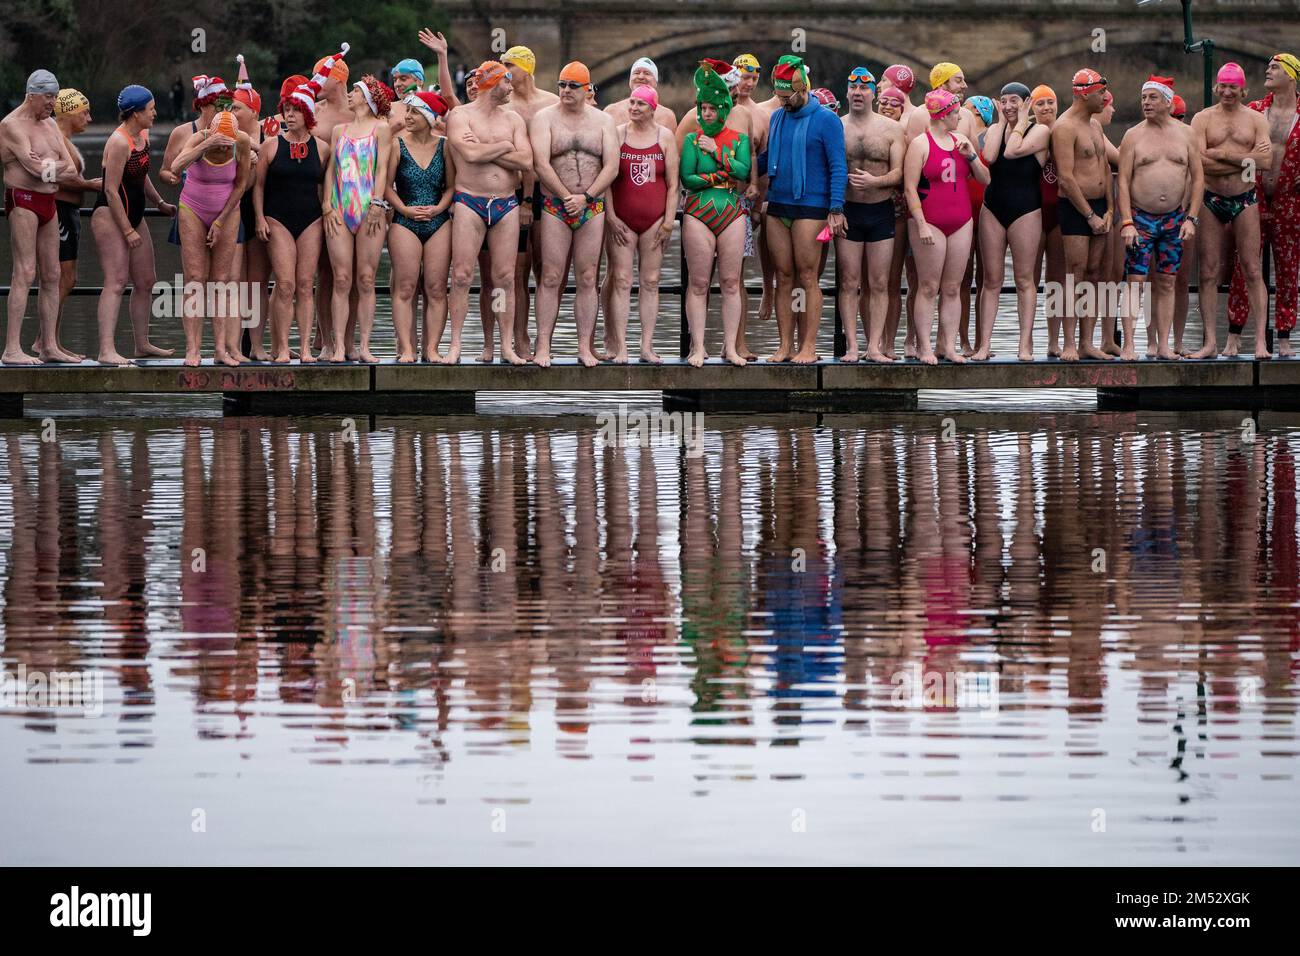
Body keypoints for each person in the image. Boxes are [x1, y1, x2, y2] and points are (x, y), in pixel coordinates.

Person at [529, 61, 619, 367]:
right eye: (562, 85)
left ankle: (584, 347)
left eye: (572, 86)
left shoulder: (603, 121)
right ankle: (543, 346)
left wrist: (587, 197)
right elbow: (540, 163)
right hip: (555, 205)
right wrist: (567, 197)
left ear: (587, 89)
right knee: (551, 276)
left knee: (587, 277)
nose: (565, 91)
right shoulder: (544, 119)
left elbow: (612, 166)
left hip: (591, 207)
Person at [445, 60, 532, 364]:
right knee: (461, 274)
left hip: (506, 203)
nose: (512, 87)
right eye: (508, 82)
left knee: (505, 277)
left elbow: (526, 161)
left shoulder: (513, 119)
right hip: (470, 201)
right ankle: (455, 344)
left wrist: (488, 147)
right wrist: (504, 147)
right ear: (494, 84)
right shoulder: (460, 115)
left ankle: (506, 346)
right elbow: (468, 154)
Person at [764, 55, 846, 363]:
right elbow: (768, 156)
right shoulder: (777, 117)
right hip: (778, 204)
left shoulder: (827, 120)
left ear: (802, 89)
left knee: (808, 276)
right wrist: (736, 166)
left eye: (788, 97)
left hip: (811, 205)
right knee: (783, 277)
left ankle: (808, 346)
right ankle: (785, 345)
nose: (783, 102)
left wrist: (836, 208)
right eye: (779, 97)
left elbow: (838, 167)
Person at [1189, 63, 1272, 359]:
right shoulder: (1202, 119)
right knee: (1209, 272)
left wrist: (1223, 155)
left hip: (1245, 199)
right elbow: (1198, 162)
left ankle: (1261, 341)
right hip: (1211, 199)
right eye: (1222, 86)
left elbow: (1264, 162)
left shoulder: (1255, 119)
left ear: (1243, 90)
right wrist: (1244, 159)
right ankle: (1210, 342)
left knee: (1252, 269)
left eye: (1233, 87)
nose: (1227, 92)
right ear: (1216, 88)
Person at [1117, 74, 1203, 361]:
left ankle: (1164, 346)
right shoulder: (1133, 135)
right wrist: (1127, 222)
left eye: (1153, 98)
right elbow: (1123, 182)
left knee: (1167, 282)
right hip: (1141, 219)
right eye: (1144, 98)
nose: (1146, 103)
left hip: (1174, 220)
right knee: (1135, 282)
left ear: (1167, 102)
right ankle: (1129, 344)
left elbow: (1198, 179)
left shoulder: (1186, 134)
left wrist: (1191, 218)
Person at [90, 85, 175, 365]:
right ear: (136, 113)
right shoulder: (118, 142)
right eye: (151, 109)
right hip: (111, 216)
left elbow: (141, 175)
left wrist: (159, 202)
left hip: (135, 214)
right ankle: (106, 350)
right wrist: (126, 229)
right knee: (115, 282)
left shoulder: (143, 135)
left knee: (146, 281)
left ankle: (142, 344)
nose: (155, 113)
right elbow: (111, 189)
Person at [902, 88, 989, 364]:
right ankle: (925, 347)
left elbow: (985, 180)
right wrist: (921, 224)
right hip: (930, 221)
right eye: (955, 113)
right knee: (928, 286)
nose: (960, 117)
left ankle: (948, 346)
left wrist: (972, 156)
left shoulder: (962, 140)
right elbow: (910, 189)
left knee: (952, 287)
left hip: (961, 220)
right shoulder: (921, 144)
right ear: (943, 115)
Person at [1, 70, 80, 364]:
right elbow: (32, 171)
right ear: (31, 94)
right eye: (48, 96)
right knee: (24, 272)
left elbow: (71, 168)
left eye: (55, 97)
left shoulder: (48, 125)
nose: (53, 103)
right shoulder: (11, 125)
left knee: (52, 274)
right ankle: (11, 349)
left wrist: (47, 166)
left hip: (49, 201)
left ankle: (48, 346)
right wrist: (52, 167)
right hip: (23, 200)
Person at [1226, 54, 1298, 358]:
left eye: (1275, 67)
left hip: (1290, 199)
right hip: (1254, 196)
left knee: (1288, 271)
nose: (1268, 70)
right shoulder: (1255, 109)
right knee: (1244, 266)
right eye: (1268, 66)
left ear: (1292, 76)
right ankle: (1234, 335)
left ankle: (1283, 336)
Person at [680, 61, 751, 366]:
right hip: (698, 212)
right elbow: (688, 178)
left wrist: (716, 153)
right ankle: (698, 346)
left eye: (711, 109)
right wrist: (719, 175)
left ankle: (731, 347)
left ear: (723, 109)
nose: (706, 114)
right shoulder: (691, 139)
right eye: (702, 108)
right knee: (698, 283)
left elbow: (743, 172)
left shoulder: (739, 139)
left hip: (732, 213)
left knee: (731, 283)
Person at [254, 79, 330, 363]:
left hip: (311, 218)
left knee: (304, 284)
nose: (289, 115)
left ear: (307, 114)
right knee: (284, 284)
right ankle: (283, 348)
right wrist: (260, 217)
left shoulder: (322, 149)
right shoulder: (271, 146)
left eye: (295, 110)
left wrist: (327, 213)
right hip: (277, 218)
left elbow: (326, 186)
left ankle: (307, 349)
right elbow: (259, 186)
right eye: (286, 109)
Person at [170, 109, 253, 366]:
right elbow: (175, 167)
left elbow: (240, 184)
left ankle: (220, 349)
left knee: (222, 281)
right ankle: (193, 349)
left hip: (226, 212)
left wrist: (220, 220)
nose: (224, 149)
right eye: (221, 142)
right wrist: (207, 143)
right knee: (195, 279)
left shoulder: (242, 141)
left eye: (228, 144)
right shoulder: (199, 139)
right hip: (193, 208)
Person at [321, 73, 394, 363]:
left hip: (369, 207)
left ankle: (363, 345)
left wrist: (377, 204)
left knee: (365, 278)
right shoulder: (340, 130)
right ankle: (339, 345)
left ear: (367, 97)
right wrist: (327, 203)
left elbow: (382, 169)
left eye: (355, 91)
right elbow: (330, 171)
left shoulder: (382, 129)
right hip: (340, 206)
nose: (349, 94)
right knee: (341, 278)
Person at [605, 84, 678, 363]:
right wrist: (610, 217)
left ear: (652, 109)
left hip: (654, 221)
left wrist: (669, 221)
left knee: (650, 281)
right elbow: (609, 180)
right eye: (632, 103)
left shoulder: (665, 137)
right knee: (622, 280)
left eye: (640, 104)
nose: (633, 108)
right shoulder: (618, 134)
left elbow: (672, 185)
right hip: (621, 219)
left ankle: (646, 346)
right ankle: (621, 346)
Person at [836, 68, 903, 362]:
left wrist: (877, 182)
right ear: (847, 92)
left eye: (864, 89)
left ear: (873, 93)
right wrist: (833, 209)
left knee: (879, 282)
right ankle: (852, 346)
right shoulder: (837, 127)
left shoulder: (891, 129)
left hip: (881, 211)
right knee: (849, 282)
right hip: (848, 211)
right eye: (853, 88)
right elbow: (829, 170)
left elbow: (901, 173)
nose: (858, 93)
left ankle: (874, 346)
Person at [385, 90, 454, 363]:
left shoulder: (445, 145)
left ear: (428, 116)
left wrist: (440, 208)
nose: (408, 117)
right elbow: (387, 187)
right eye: (408, 111)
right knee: (405, 287)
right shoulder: (396, 144)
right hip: (405, 220)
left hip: (439, 220)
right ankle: (407, 348)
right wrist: (403, 209)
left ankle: (432, 349)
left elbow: (451, 187)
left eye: (414, 112)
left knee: (436, 288)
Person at [500, 45, 559, 362]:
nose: (505, 70)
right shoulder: (502, 102)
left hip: (545, 193)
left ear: (527, 67)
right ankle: (519, 337)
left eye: (509, 65)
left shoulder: (550, 102)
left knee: (548, 270)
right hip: (512, 193)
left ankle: (543, 339)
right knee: (516, 271)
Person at [978, 81, 1045, 361]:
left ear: (1027, 103)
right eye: (1003, 101)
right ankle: (984, 345)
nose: (1007, 107)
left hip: (1026, 209)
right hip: (992, 207)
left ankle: (1025, 345)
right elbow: (992, 156)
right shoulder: (994, 129)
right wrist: (1001, 125)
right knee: (991, 280)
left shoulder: (1040, 131)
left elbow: (1012, 151)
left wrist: (1021, 121)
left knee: (1024, 280)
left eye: (1014, 101)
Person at [1051, 68, 1113, 361]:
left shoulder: (1096, 126)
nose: (1105, 98)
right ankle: (1069, 344)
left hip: (1101, 208)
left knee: (1095, 275)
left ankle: (1088, 342)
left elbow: (1104, 169)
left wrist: (1111, 209)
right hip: (1077, 209)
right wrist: (1090, 216)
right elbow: (1065, 178)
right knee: (1074, 275)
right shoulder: (1064, 127)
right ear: (1085, 93)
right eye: (1101, 93)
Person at [36, 89, 101, 361]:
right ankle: (43, 341)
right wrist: (88, 184)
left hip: (69, 213)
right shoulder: (53, 139)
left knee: (65, 279)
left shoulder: (64, 140)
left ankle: (52, 341)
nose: (89, 117)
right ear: (69, 113)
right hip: (59, 213)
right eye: (84, 112)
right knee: (61, 279)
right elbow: (50, 175)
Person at [232, 54, 273, 361]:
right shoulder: (224, 134)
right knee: (234, 280)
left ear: (253, 111)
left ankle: (257, 345)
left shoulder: (270, 133)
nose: (230, 112)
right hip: (233, 208)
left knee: (258, 281)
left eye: (236, 107)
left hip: (262, 208)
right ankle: (233, 346)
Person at [1031, 84, 1066, 356]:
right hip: (1032, 212)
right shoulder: (1028, 133)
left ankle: (1055, 341)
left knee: (1056, 280)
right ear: (1031, 108)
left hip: (1059, 212)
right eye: (1040, 104)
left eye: (1050, 103)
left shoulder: (1066, 130)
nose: (1046, 108)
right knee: (1028, 280)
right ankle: (1026, 339)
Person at [604, 57, 678, 130]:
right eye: (636, 73)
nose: (641, 77)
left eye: (647, 73)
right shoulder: (611, 111)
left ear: (656, 82)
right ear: (630, 80)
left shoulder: (667, 116)